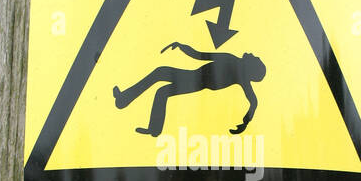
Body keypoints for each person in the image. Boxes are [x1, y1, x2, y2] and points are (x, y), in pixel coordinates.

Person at [113, 41, 266, 137]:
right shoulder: (239, 72)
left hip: (194, 80)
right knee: (161, 82)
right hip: (194, 77)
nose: (253, 55)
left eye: (255, 59)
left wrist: (245, 122)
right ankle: (127, 102)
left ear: (251, 67)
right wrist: (182, 47)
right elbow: (200, 55)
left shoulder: (234, 65)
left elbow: (199, 55)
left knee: (162, 87)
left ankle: (145, 121)